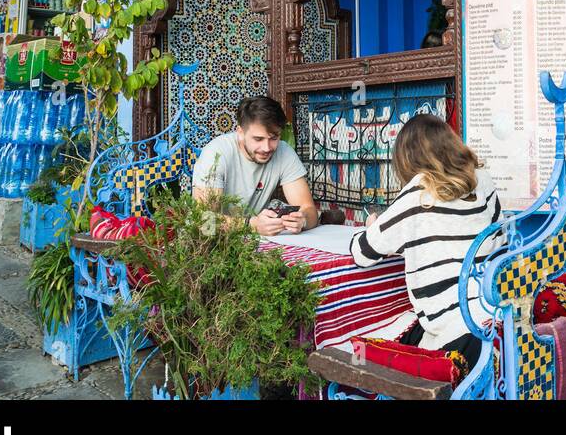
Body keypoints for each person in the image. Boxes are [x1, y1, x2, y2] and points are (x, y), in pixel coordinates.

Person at [349, 113, 503, 366]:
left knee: (380, 337)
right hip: (496, 313)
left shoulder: (417, 193)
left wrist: (370, 226)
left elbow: (362, 253)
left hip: (456, 332)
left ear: (407, 159)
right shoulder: (481, 179)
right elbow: (499, 235)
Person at [192, 96, 319, 237]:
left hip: (255, 241)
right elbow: (204, 222)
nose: (266, 148)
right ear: (240, 133)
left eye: (274, 138)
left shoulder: (284, 152)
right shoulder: (215, 154)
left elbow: (309, 209)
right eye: (258, 139)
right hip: (213, 242)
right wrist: (251, 225)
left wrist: (302, 220)